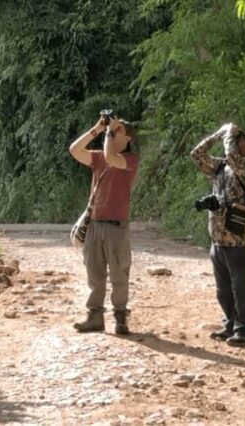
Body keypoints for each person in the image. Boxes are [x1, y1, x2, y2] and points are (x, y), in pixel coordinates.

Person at [69, 114, 139, 335]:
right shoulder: (99, 157)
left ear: (128, 138)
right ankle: (95, 316)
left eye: (119, 130)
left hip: (117, 226)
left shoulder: (130, 160)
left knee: (120, 273)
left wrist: (109, 131)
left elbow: (111, 157)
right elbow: (74, 150)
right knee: (94, 273)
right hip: (95, 224)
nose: (114, 132)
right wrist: (97, 129)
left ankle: (120, 317)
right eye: (114, 130)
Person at [191, 123, 245, 347]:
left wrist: (229, 134)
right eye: (236, 141)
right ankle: (230, 323)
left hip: (237, 239)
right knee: (223, 289)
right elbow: (197, 154)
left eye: (242, 143)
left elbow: (231, 155)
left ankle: (244, 329)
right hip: (218, 239)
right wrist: (219, 134)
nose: (237, 145)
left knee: (241, 287)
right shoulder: (220, 167)